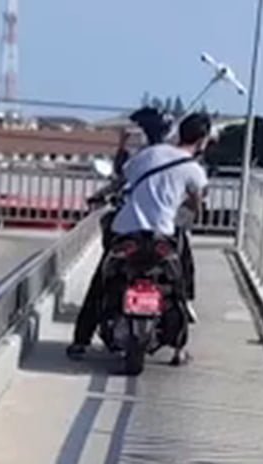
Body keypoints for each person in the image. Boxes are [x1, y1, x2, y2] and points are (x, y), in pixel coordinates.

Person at [67, 112, 212, 361]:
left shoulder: (149, 155)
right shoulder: (194, 171)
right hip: (162, 236)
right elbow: (196, 205)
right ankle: (179, 348)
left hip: (126, 232)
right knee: (176, 288)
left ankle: (81, 341)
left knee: (101, 283)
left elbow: (123, 180)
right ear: (203, 140)